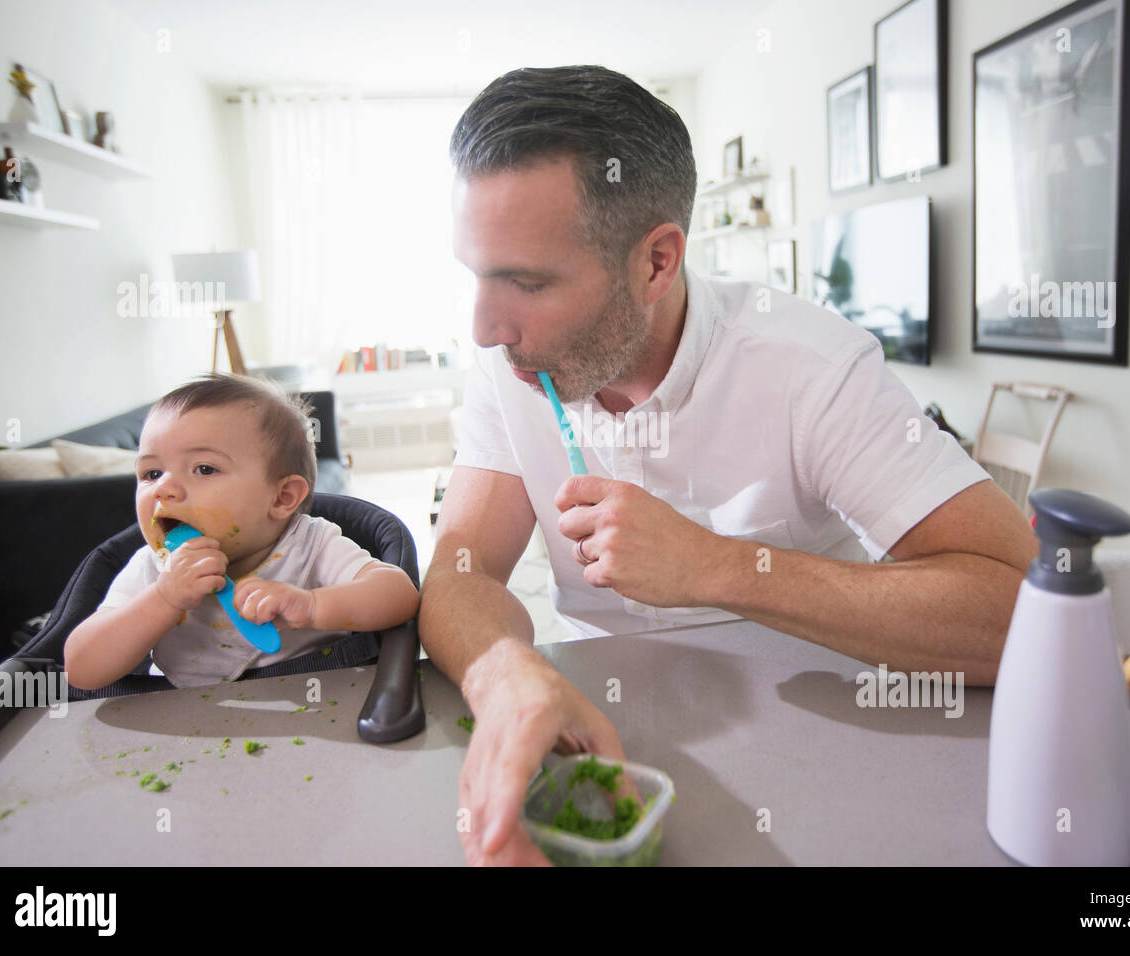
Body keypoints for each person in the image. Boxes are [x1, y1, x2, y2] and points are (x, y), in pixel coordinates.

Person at [419, 65, 1038, 865]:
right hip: (604, 741)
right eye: (477, 275)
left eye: (527, 282)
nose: (484, 327)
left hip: (838, 749)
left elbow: (1023, 612)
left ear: (656, 261)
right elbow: (459, 574)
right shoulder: (511, 366)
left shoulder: (810, 366)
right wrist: (506, 677)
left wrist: (718, 566)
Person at [65, 373, 419, 690]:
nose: (163, 488)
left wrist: (312, 606)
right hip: (188, 722)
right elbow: (81, 669)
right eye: (151, 473)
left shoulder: (310, 544)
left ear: (281, 497)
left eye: (204, 469)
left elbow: (399, 596)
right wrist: (163, 599)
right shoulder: (152, 569)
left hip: (315, 700)